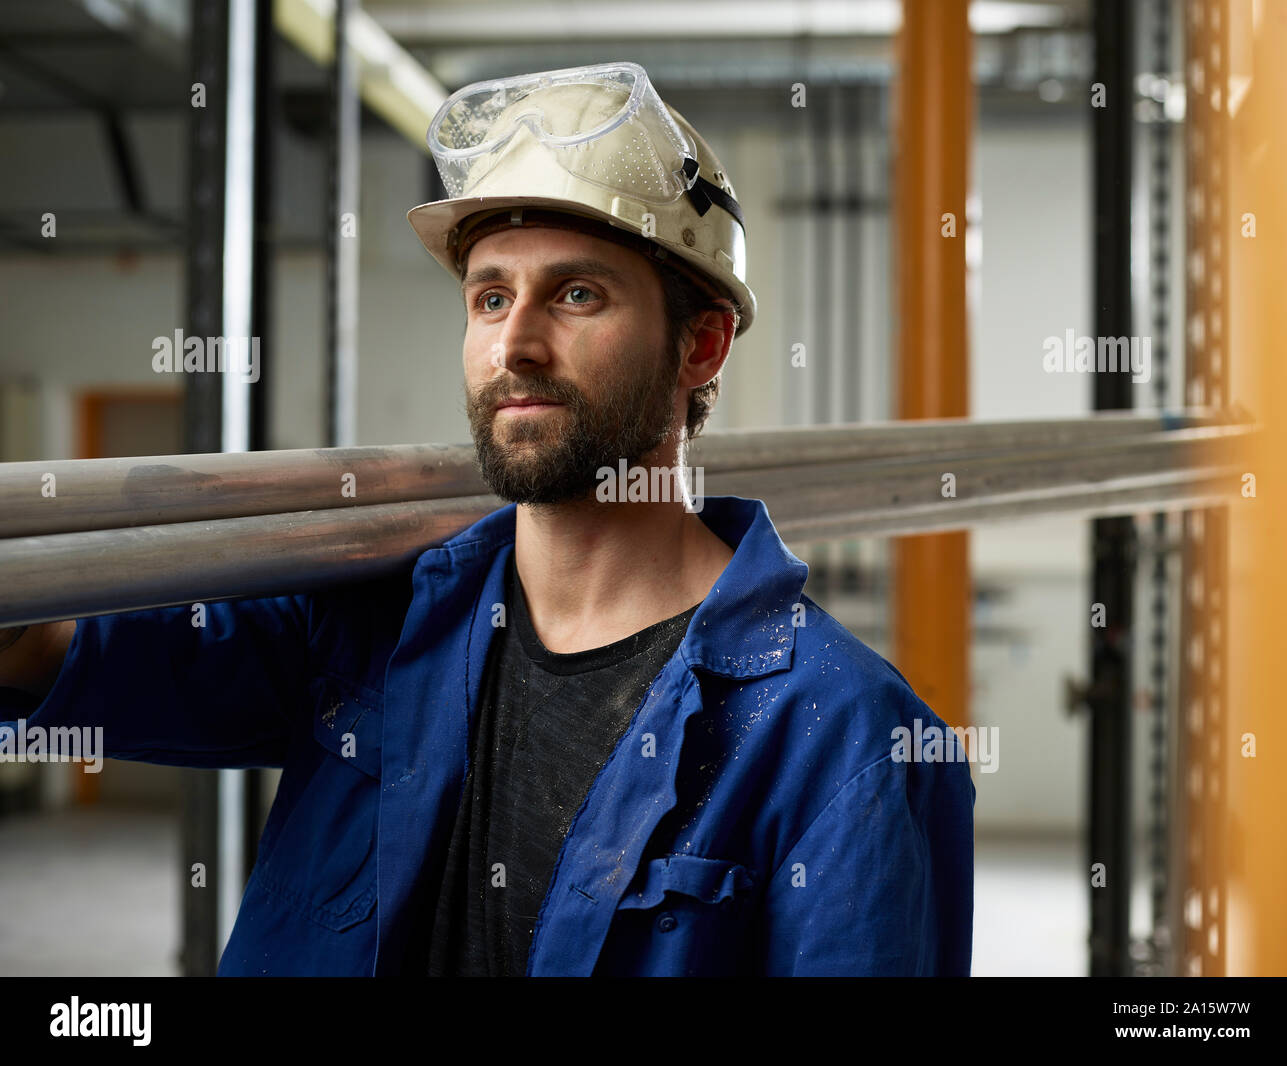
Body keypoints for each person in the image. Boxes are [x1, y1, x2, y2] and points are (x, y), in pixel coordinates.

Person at [0, 61, 974, 976]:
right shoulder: (361, 625)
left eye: (577, 293)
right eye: (490, 295)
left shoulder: (844, 740)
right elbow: (50, 648)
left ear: (702, 344)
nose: (515, 343)